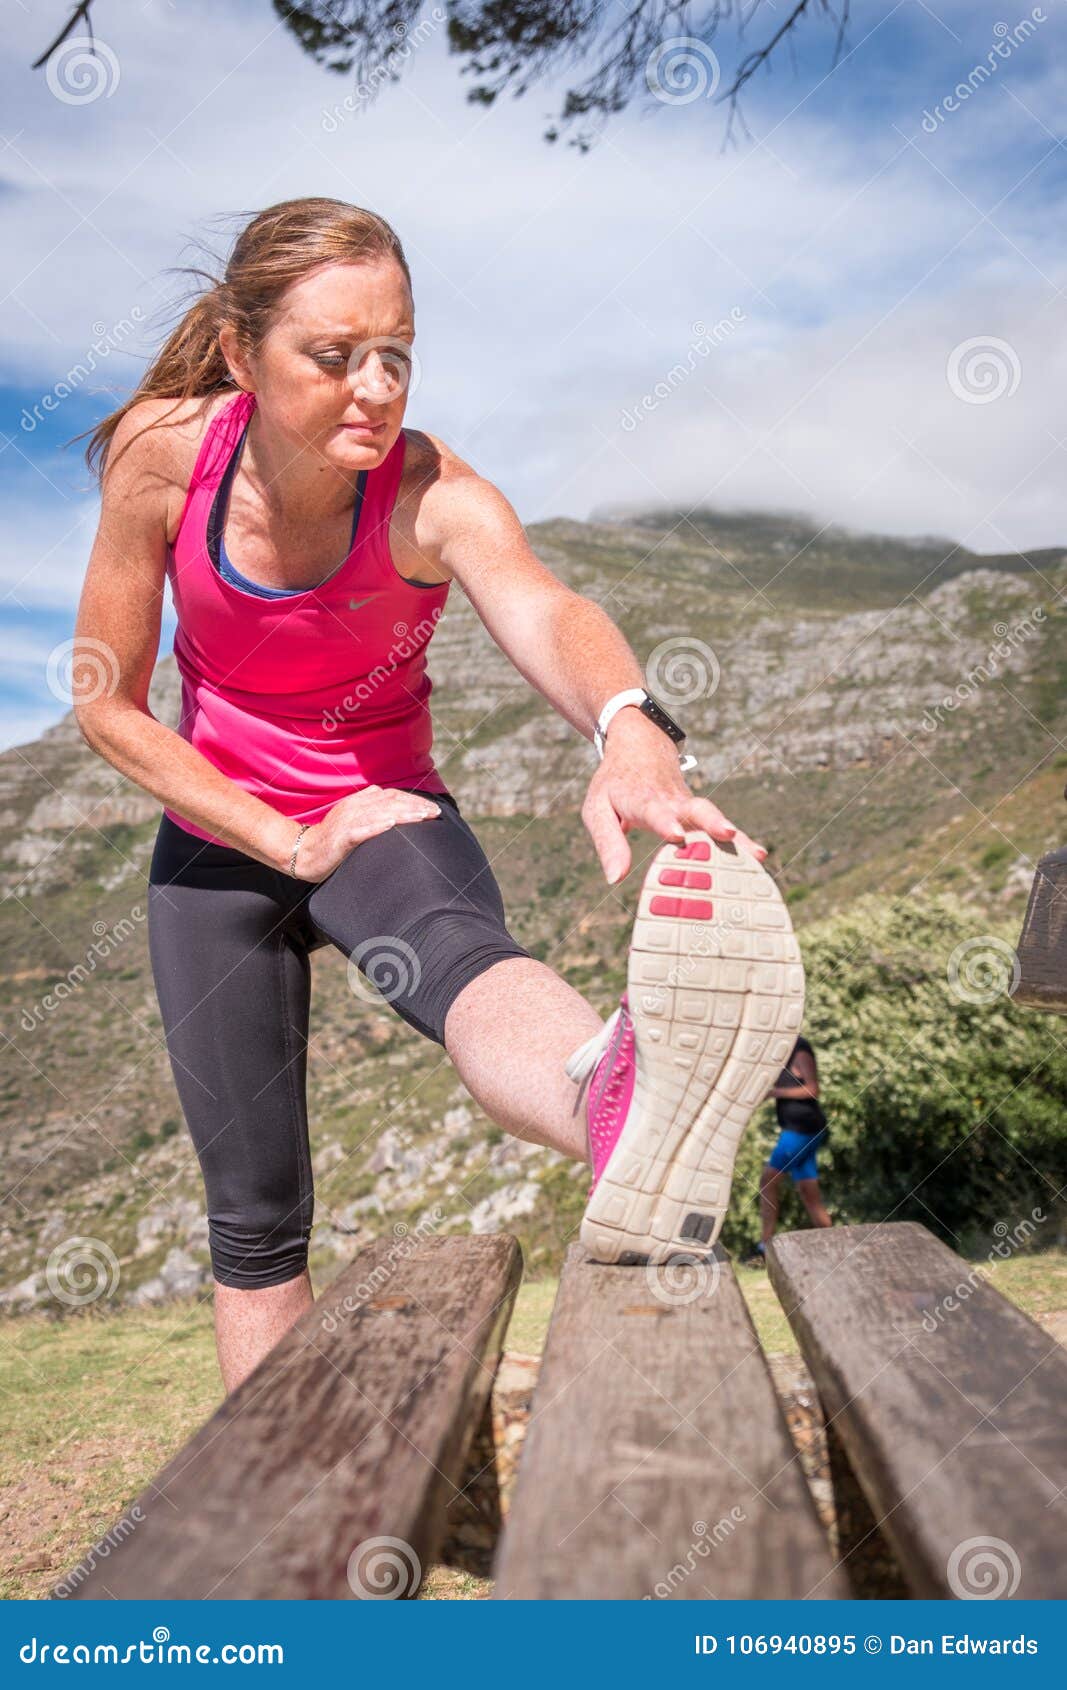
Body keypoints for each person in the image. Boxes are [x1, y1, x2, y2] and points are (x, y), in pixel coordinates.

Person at [71, 196, 796, 1392]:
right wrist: (281, 833)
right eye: (333, 356)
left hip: (383, 814)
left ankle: (626, 1095)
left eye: (396, 354)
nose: (374, 387)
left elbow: (545, 608)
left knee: (460, 956)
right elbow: (107, 701)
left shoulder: (427, 493)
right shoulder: (165, 456)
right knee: (252, 1222)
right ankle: (287, 1515)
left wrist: (627, 731)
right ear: (245, 357)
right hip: (219, 838)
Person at [747, 1033, 832, 1264]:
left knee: (767, 1181)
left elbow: (813, 1089)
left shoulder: (799, 1048)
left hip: (803, 1130)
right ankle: (833, 1244)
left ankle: (765, 1246)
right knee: (808, 1192)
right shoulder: (780, 1050)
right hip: (795, 1129)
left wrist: (774, 1092)